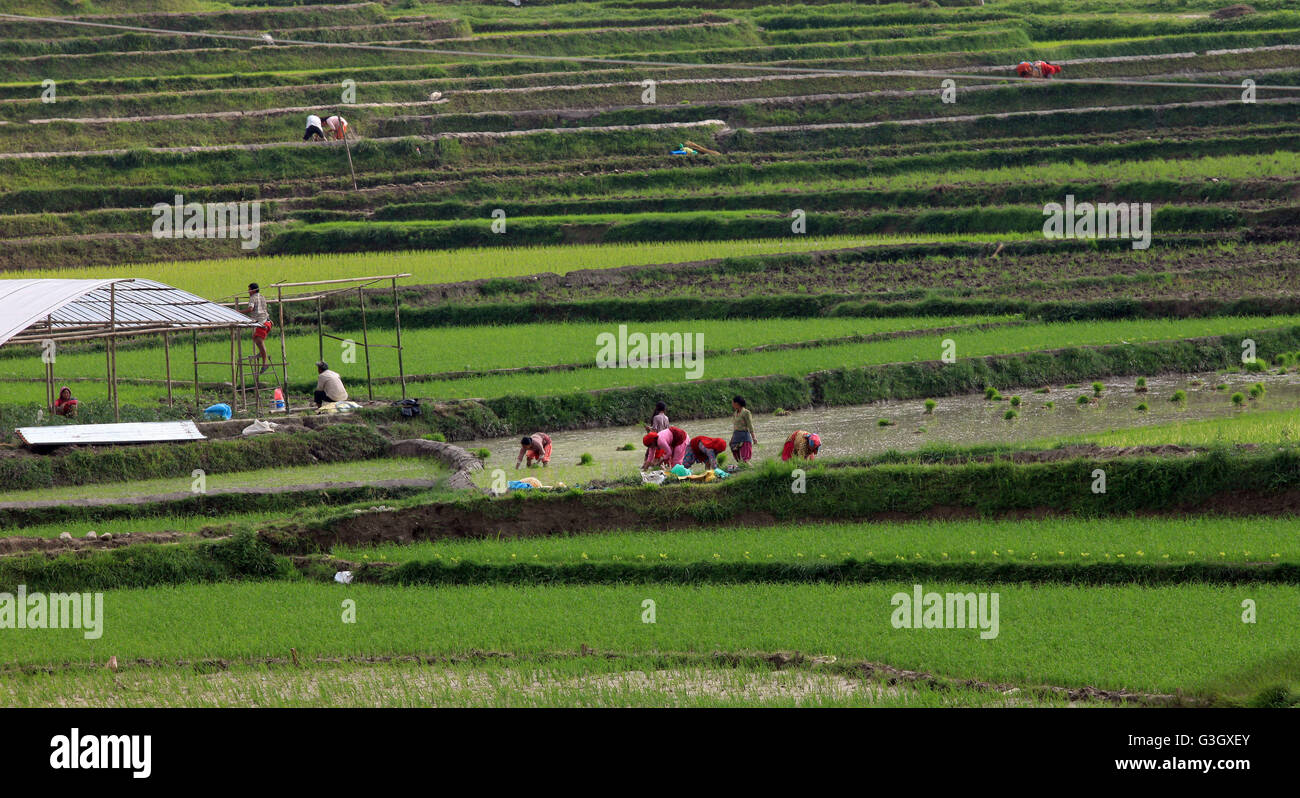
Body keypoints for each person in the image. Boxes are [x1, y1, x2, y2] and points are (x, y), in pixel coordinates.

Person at [245, 282, 272, 374]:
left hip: (262, 323)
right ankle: (261, 353)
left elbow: (250, 309)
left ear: (253, 290)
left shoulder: (252, 298)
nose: (248, 291)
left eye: (249, 289)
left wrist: (239, 312)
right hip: (266, 322)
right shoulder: (262, 297)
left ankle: (265, 363)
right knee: (255, 338)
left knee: (259, 341)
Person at [730, 395, 756, 463]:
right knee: (734, 450)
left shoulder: (746, 412)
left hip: (744, 436)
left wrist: (754, 437)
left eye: (732, 403)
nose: (732, 404)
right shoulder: (735, 413)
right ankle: (741, 466)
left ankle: (748, 468)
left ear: (737, 404)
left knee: (745, 458)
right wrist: (732, 438)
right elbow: (735, 426)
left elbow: (750, 425)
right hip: (736, 436)